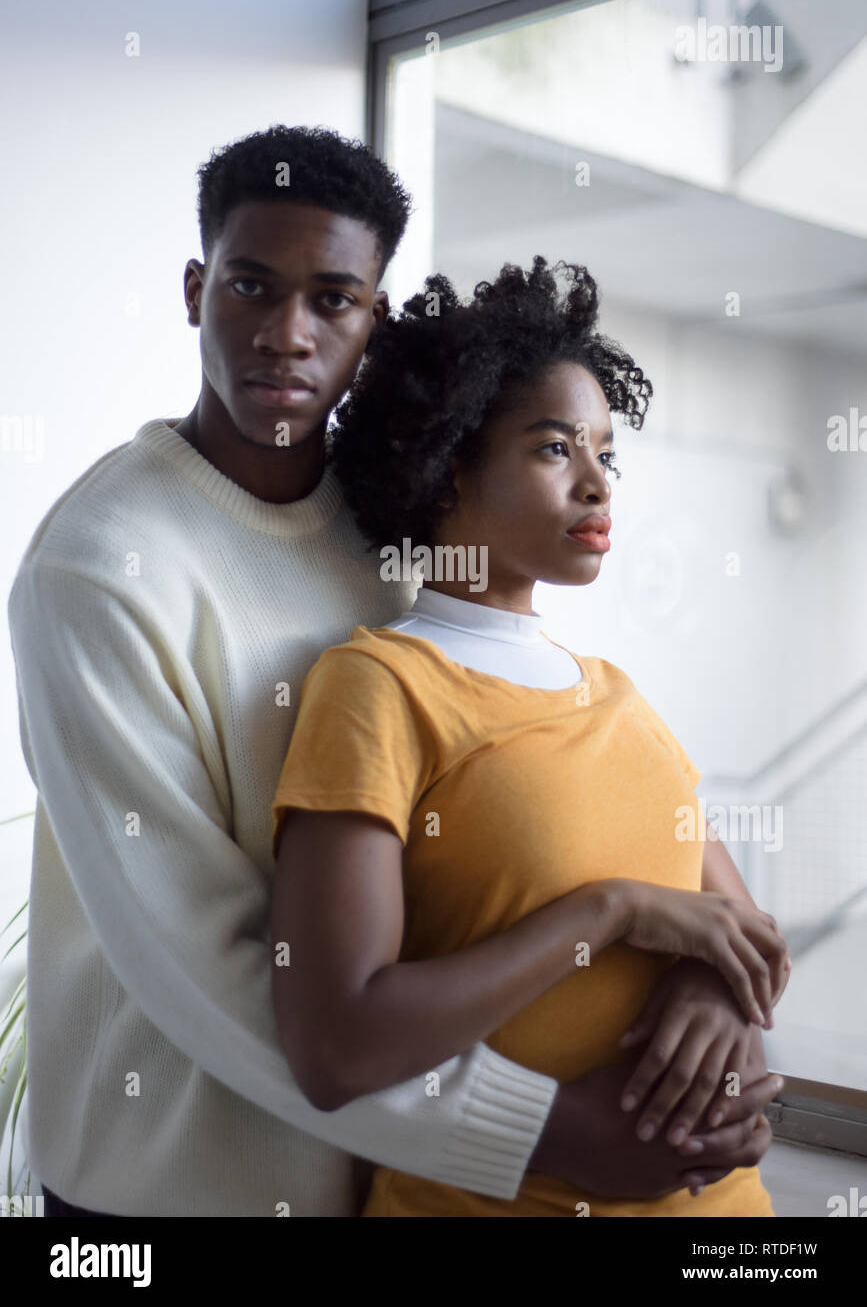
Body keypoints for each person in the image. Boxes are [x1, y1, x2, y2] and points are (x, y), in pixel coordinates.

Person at [7, 126, 783, 1219]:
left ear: (372, 322)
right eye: (250, 285)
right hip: (173, 1187)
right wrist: (549, 1137)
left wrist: (710, 971)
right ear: (196, 289)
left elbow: (581, 797)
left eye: (332, 299)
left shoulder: (406, 532)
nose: (286, 333)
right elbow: (207, 964)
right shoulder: (99, 566)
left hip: (378, 1184)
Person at [269, 257, 790, 1217]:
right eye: (555, 450)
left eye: (604, 452)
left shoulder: (619, 699)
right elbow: (334, 1047)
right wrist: (608, 914)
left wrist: (714, 999)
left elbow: (745, 941)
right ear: (446, 462)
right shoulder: (378, 687)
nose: (597, 484)